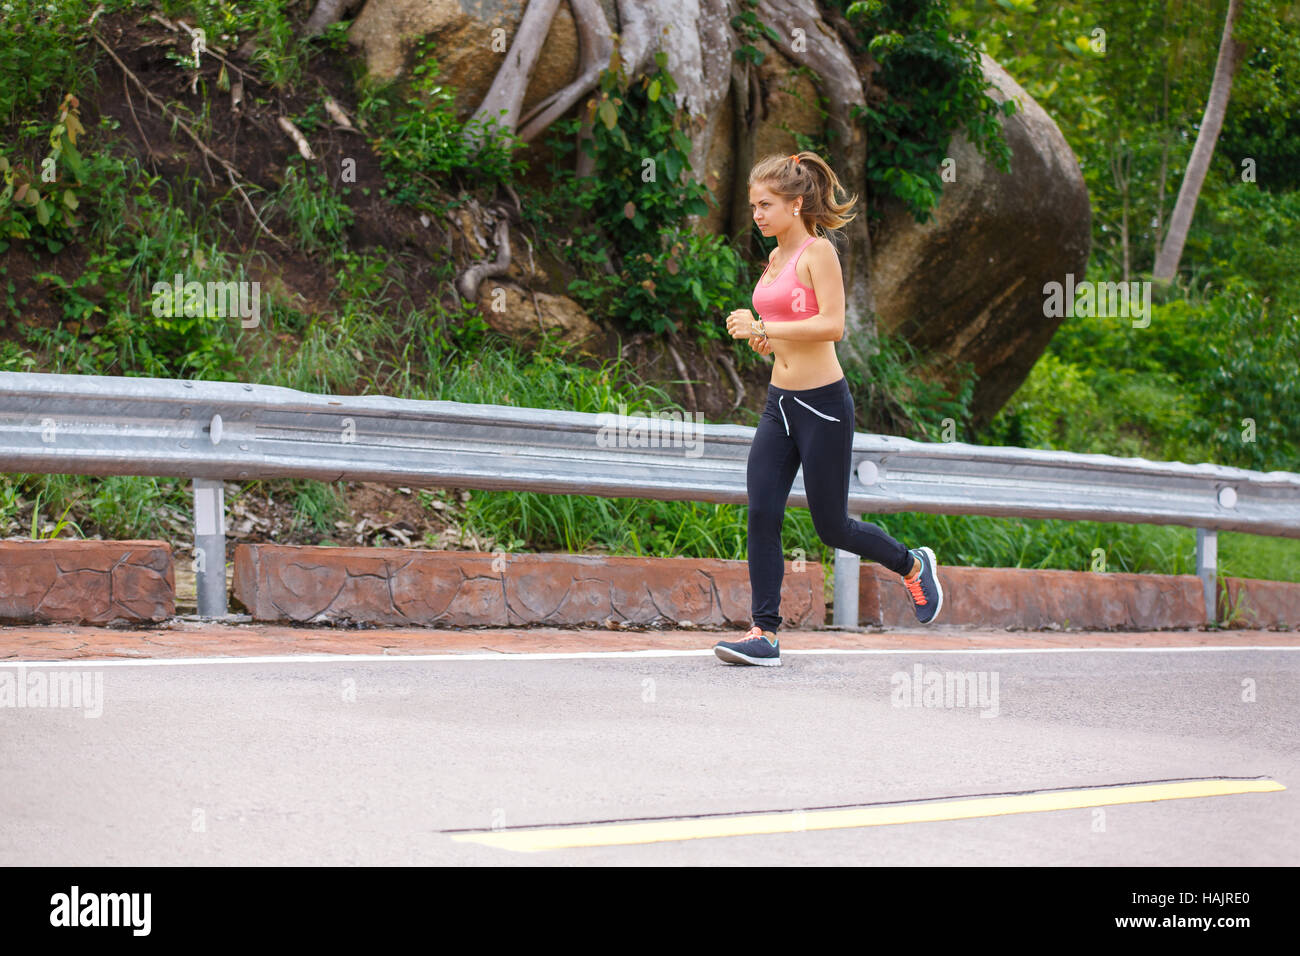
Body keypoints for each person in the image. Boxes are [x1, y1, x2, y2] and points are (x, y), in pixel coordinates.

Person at [712, 151, 942, 667]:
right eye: (753, 206)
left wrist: (765, 328)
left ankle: (911, 565)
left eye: (765, 204)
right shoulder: (772, 260)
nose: (757, 214)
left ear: (795, 204)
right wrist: (763, 337)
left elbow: (832, 325)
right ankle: (764, 634)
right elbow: (788, 327)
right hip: (779, 405)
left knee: (832, 525)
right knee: (762, 512)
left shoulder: (819, 254)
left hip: (823, 406)